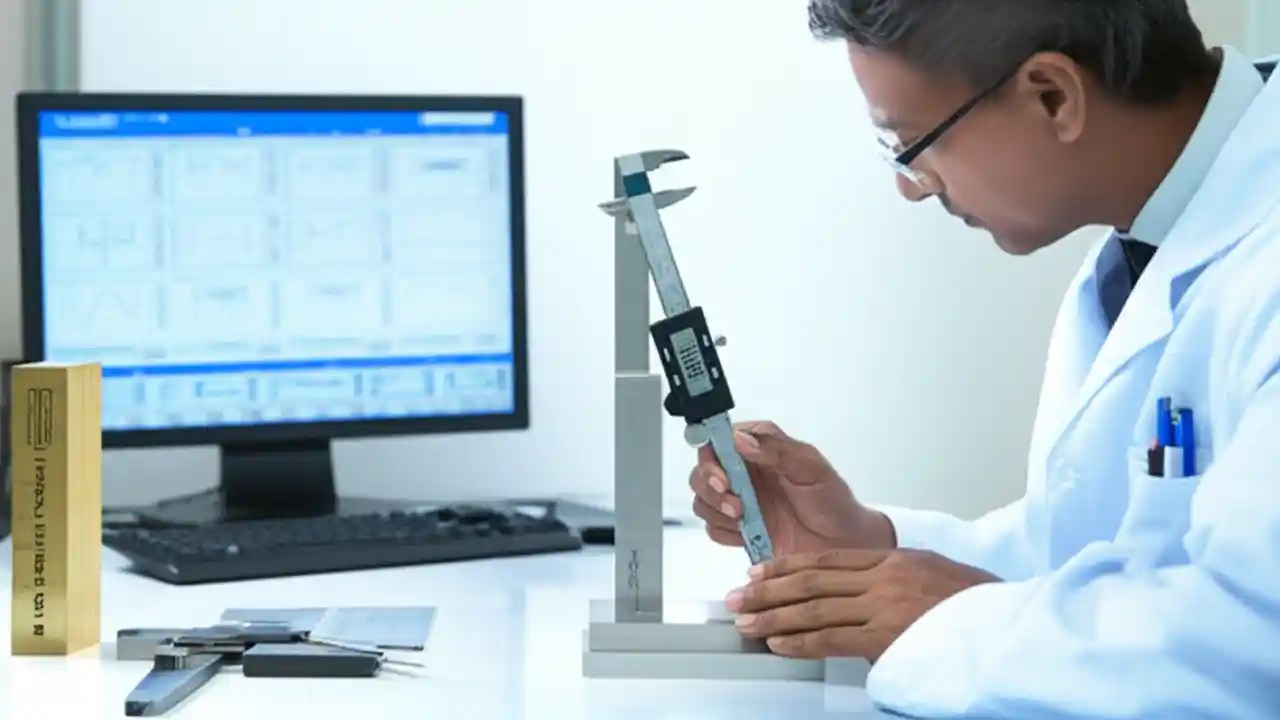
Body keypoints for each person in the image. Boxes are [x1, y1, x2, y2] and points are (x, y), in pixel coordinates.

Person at [688, 1, 1280, 717]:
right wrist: (869, 546)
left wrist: (951, 622)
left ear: (1052, 96)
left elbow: (1248, 647)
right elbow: (1087, 553)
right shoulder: (1147, 245)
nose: (911, 185)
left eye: (911, 144)